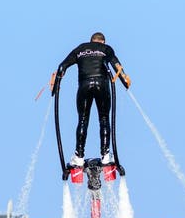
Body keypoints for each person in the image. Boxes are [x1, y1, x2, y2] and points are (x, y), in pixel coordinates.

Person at [52, 32, 131, 167]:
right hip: (102, 85)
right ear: (103, 42)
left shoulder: (80, 49)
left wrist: (55, 89)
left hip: (84, 85)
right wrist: (125, 82)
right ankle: (106, 155)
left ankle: (79, 156)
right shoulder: (106, 49)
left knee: (83, 119)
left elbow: (61, 67)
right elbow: (117, 66)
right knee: (104, 119)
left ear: (91, 41)